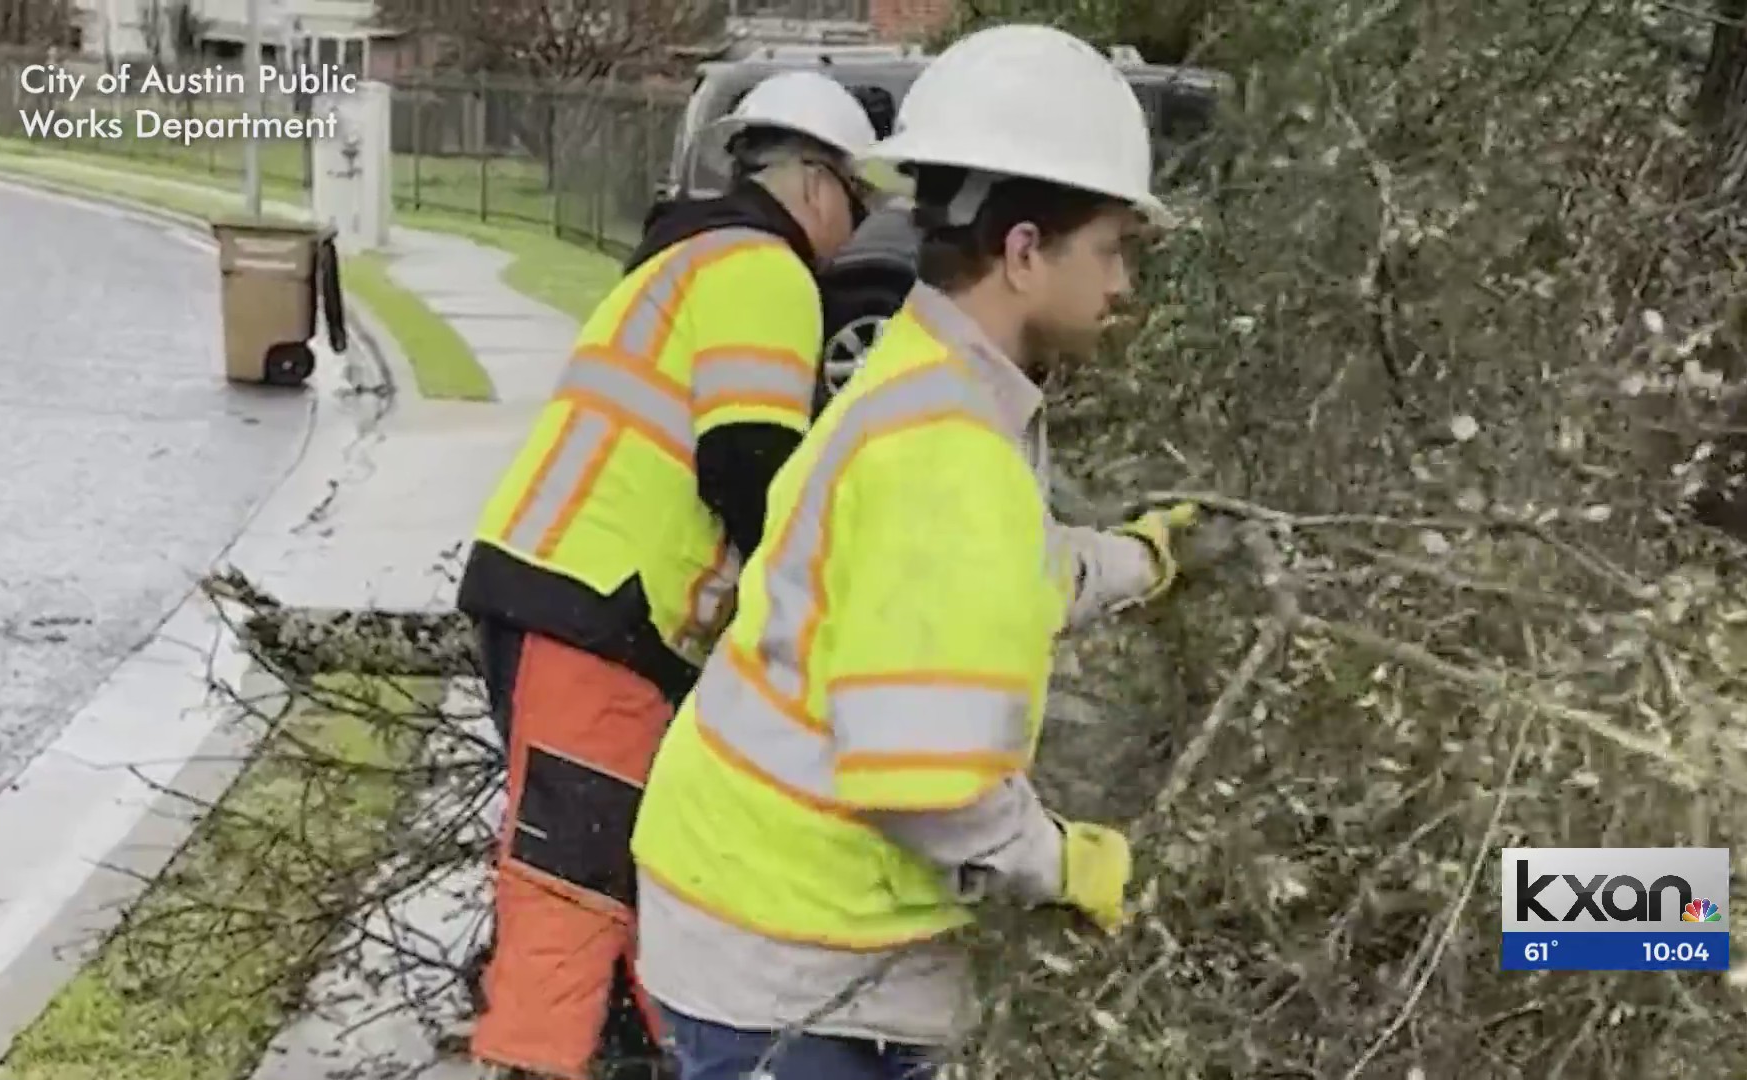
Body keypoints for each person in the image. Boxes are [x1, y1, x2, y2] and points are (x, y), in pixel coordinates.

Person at [627, 23, 1250, 1080]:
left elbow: (992, 578)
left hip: (765, 910)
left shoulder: (927, 380)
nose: (1124, 287)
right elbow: (930, 788)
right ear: (1023, 252)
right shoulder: (947, 455)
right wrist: (1071, 864)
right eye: (1111, 249)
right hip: (791, 958)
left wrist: (1142, 560)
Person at [455, 70, 881, 1080]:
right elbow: (750, 465)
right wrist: (825, 611)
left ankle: (632, 1055)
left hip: (573, 595)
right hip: (601, 609)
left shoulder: (687, 255)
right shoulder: (765, 270)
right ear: (815, 181)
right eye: (858, 206)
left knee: (624, 869)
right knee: (574, 881)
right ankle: (535, 1063)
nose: (856, 234)